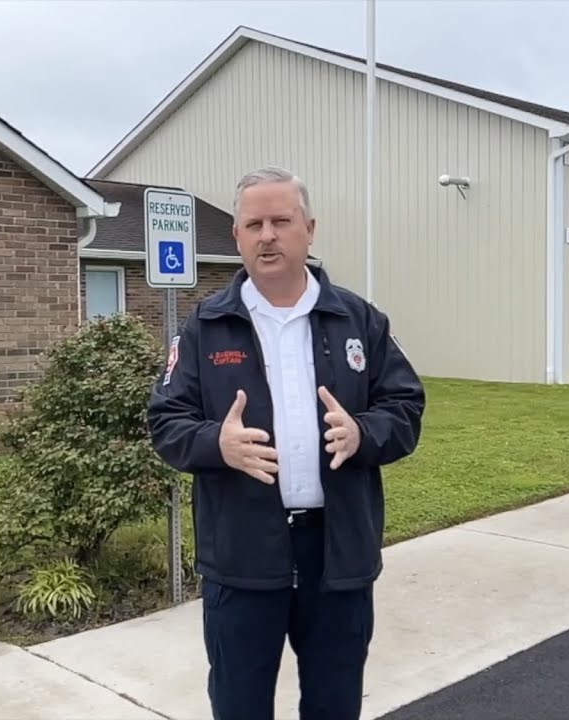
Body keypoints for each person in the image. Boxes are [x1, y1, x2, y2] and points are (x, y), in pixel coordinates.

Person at [147, 166, 426, 720]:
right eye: (254, 223)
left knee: (334, 701)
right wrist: (215, 444)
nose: (267, 234)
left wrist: (363, 433)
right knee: (239, 703)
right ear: (236, 236)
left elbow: (405, 406)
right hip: (242, 555)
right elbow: (166, 421)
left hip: (337, 552)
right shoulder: (205, 326)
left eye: (281, 220)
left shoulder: (358, 320)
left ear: (309, 228)